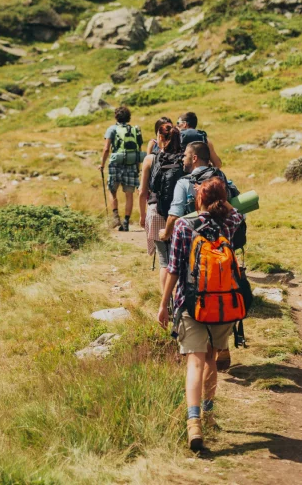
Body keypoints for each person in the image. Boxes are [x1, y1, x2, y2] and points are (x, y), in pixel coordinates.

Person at [157, 177, 244, 450]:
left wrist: (164, 305)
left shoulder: (184, 225)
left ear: (198, 199)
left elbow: (173, 269)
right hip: (222, 304)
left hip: (191, 304)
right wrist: (218, 195)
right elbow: (236, 212)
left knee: (194, 363)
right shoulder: (228, 223)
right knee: (211, 359)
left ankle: (193, 424)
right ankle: (209, 413)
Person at [139, 121, 181, 291]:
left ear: (161, 138)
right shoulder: (184, 159)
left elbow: (142, 191)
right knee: (180, 260)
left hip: (156, 212)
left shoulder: (150, 159)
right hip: (179, 215)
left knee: (165, 262)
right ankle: (180, 298)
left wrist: (142, 216)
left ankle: (166, 303)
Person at [99, 106, 144, 232]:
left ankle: (115, 217)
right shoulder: (135, 129)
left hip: (116, 164)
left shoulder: (112, 129)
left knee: (112, 190)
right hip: (131, 164)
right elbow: (139, 149)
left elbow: (106, 148)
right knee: (129, 194)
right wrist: (137, 166)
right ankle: (126, 222)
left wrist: (102, 164)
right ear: (128, 117)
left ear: (116, 117)